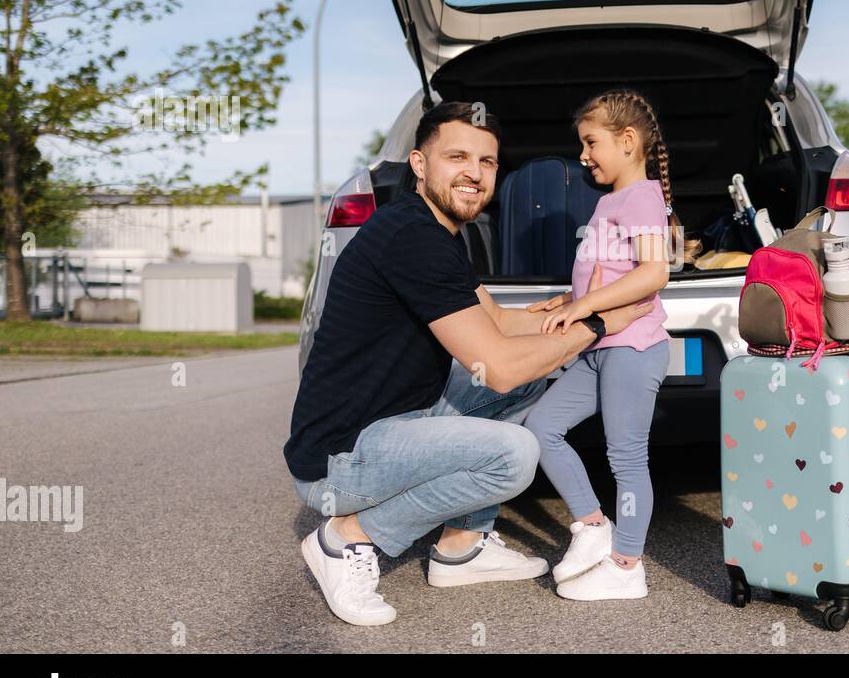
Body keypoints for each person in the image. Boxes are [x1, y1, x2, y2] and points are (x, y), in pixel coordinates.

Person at [283, 101, 651, 625]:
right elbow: (497, 365)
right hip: (342, 458)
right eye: (457, 156)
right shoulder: (411, 238)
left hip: (395, 424)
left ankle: (462, 547)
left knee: (532, 379)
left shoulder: (437, 232)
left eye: (487, 162)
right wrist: (596, 328)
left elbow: (497, 322)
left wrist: (572, 311)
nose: (474, 174)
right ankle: (346, 539)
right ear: (418, 164)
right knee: (514, 454)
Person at [524, 89, 700, 600]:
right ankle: (591, 526)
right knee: (543, 427)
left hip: (632, 349)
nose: (583, 155)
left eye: (590, 142)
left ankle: (626, 567)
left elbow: (655, 271)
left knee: (626, 459)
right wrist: (569, 298)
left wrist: (584, 307)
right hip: (600, 351)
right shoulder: (610, 201)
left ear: (627, 141)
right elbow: (610, 272)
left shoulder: (641, 196)